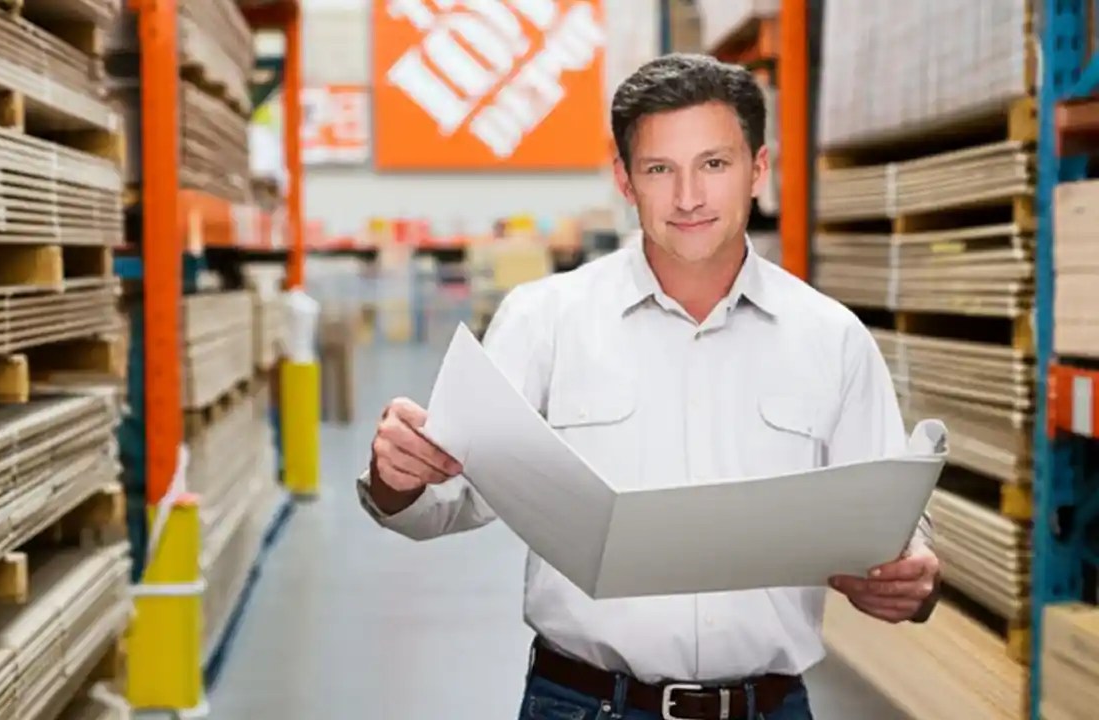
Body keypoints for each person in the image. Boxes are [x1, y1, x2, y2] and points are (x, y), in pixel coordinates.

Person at [356, 53, 941, 720]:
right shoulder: (544, 320)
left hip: (770, 707)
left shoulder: (831, 337)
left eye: (714, 165)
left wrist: (912, 578)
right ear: (625, 180)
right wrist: (397, 474)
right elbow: (447, 498)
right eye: (660, 169)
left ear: (760, 169)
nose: (689, 197)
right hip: (584, 704)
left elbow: (894, 529)